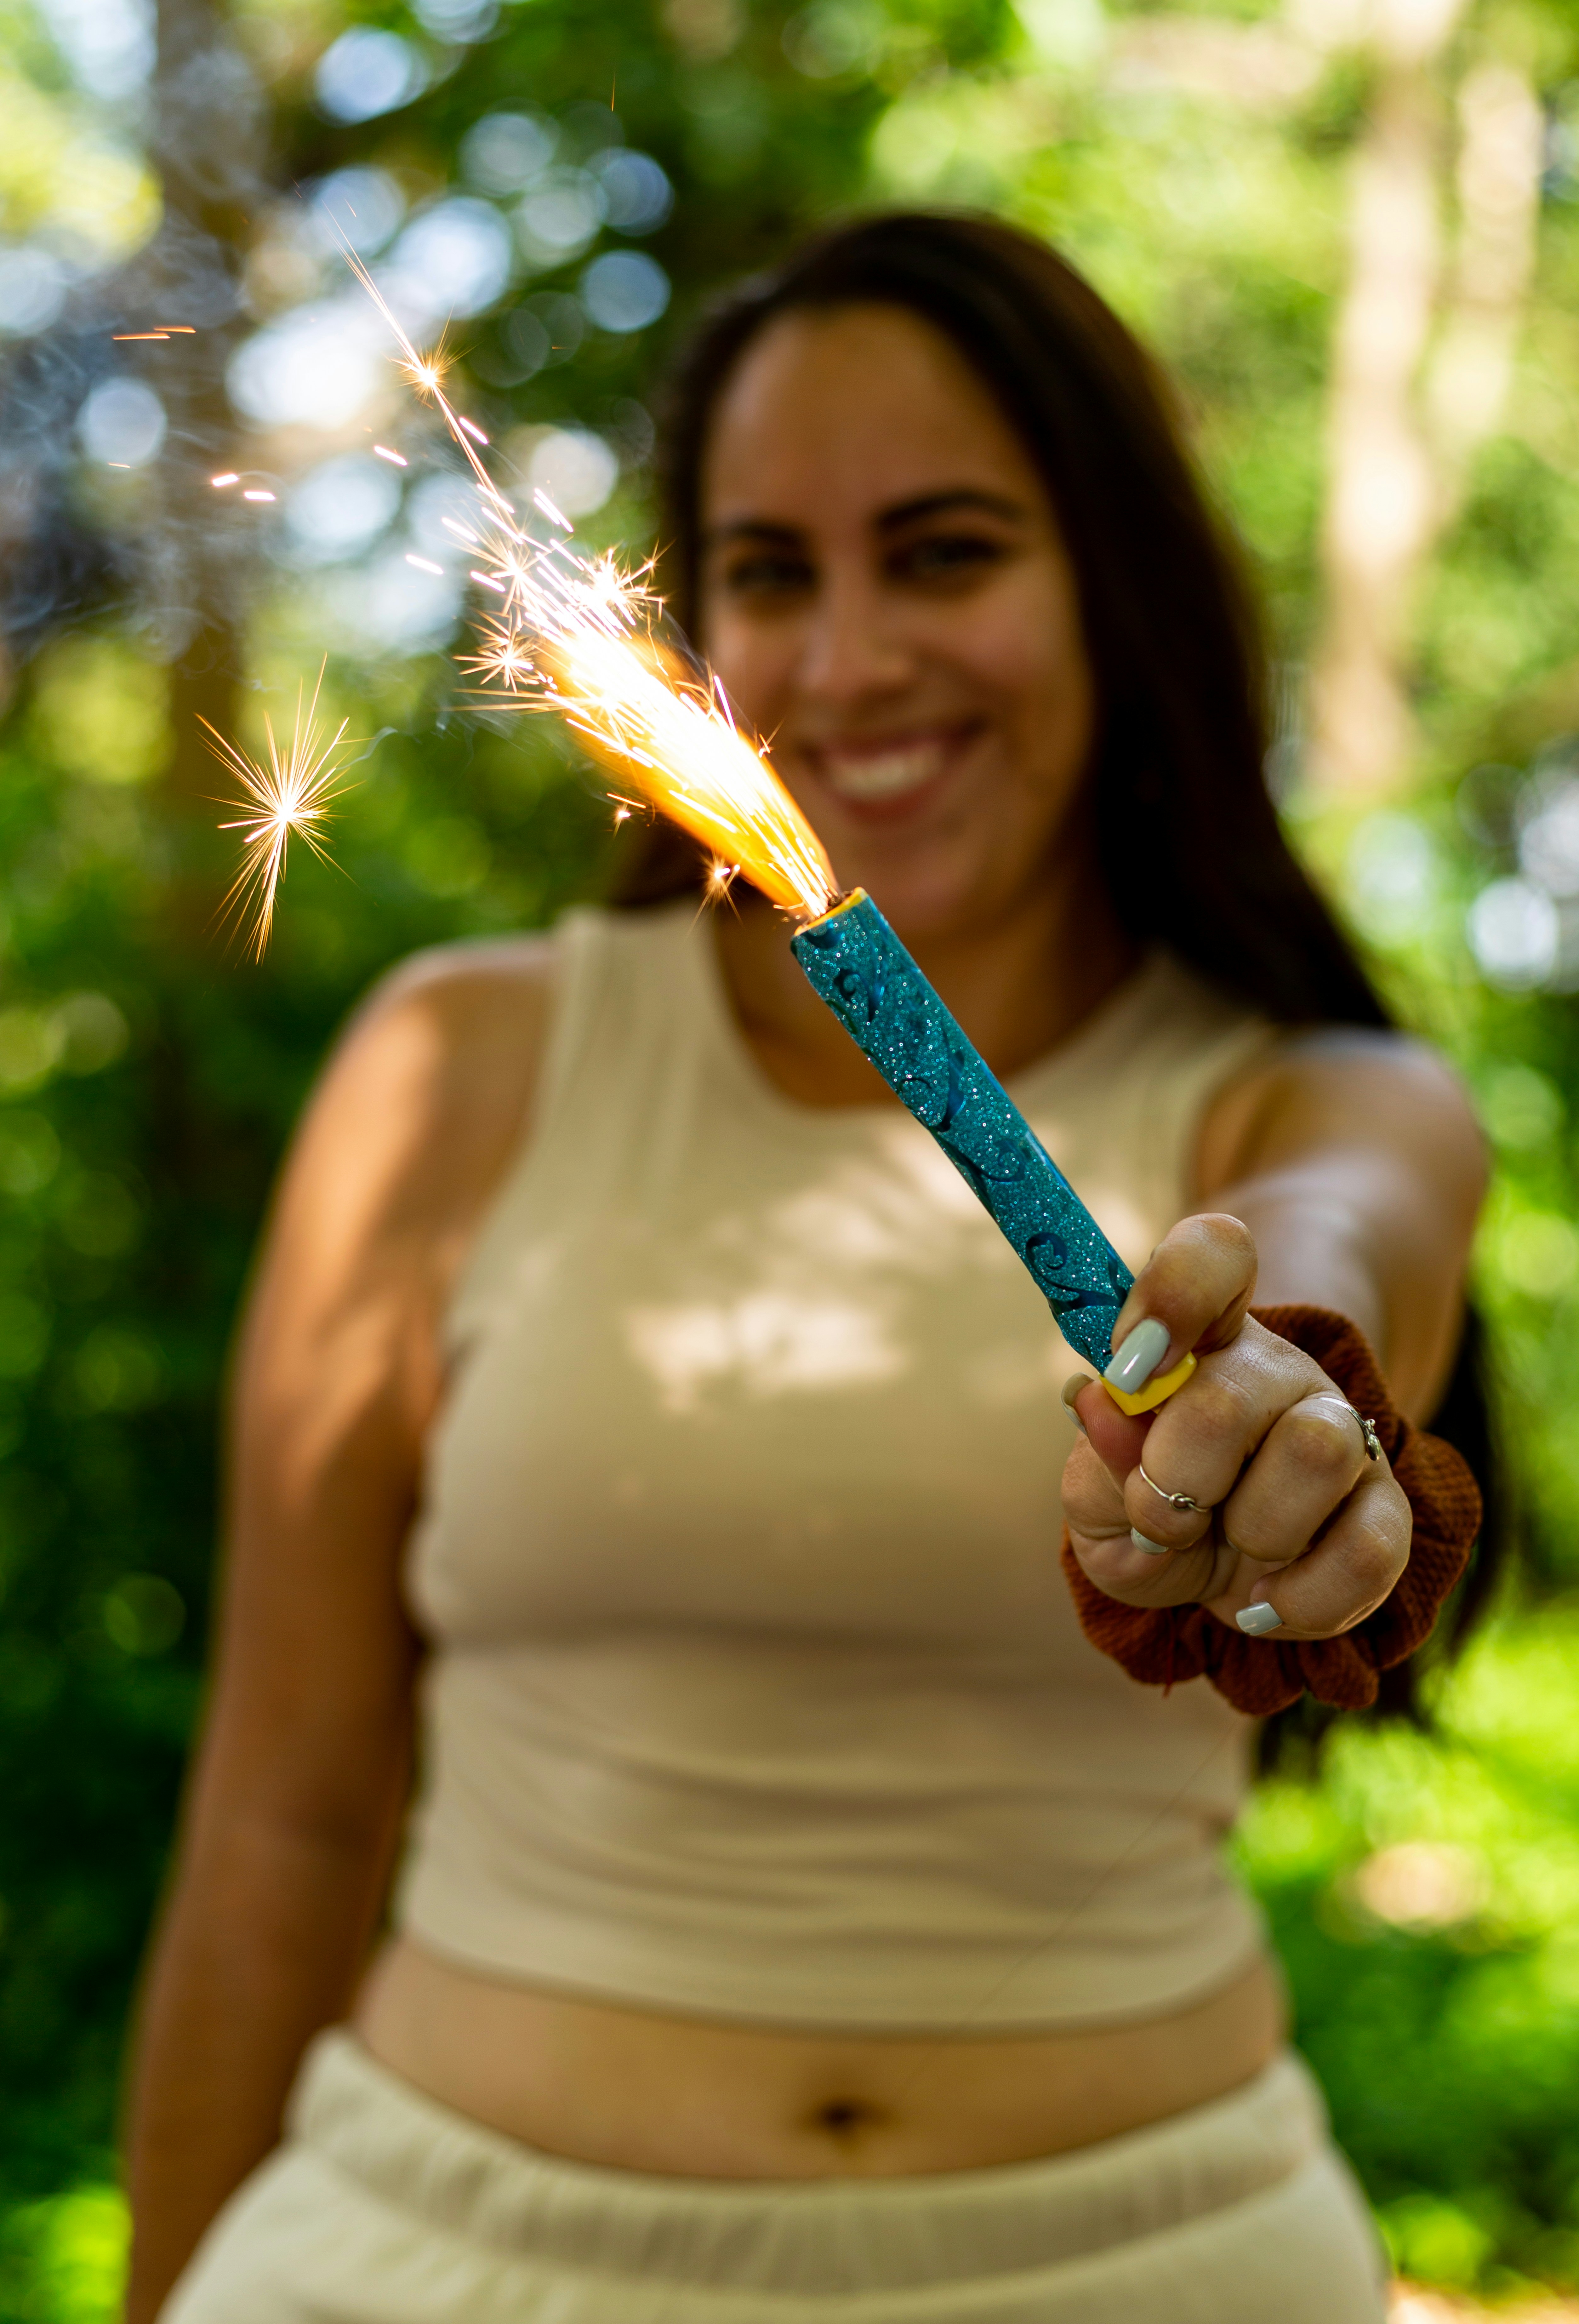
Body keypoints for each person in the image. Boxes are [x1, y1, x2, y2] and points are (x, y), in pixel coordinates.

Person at [123, 212, 1489, 2323]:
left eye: (943, 551)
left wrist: (1287, 1389)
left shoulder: (1320, 1096)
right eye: (767, 571)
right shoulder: (457, 1068)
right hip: (432, 2260)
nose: (844, 664)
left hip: (1153, 2268)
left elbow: (1337, 1250)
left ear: (1114, 591)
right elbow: (286, 1819)